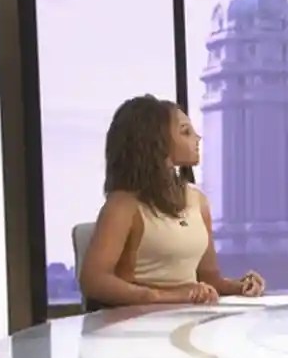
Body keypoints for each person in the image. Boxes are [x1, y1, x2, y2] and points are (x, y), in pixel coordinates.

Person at [79, 95, 266, 307]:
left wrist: (240, 287)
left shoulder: (198, 201)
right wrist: (167, 296)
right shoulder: (123, 206)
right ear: (156, 142)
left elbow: (209, 280)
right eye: (185, 132)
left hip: (187, 318)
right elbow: (93, 281)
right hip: (138, 320)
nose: (198, 138)